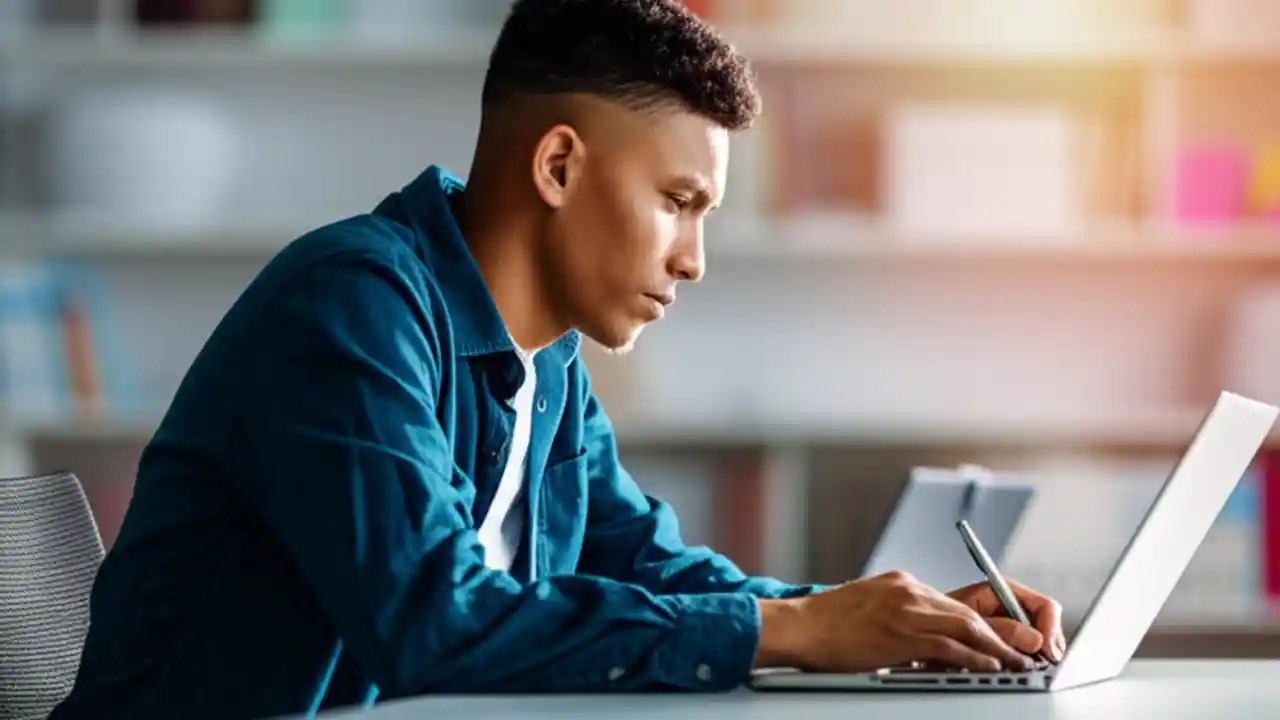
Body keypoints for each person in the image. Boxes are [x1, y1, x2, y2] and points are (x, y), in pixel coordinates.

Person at [52, 1, 1064, 717]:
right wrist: (791, 634)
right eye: (677, 202)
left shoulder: (547, 369)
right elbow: (432, 621)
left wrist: (880, 620)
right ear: (559, 165)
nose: (694, 259)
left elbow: (656, 570)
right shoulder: (352, 306)